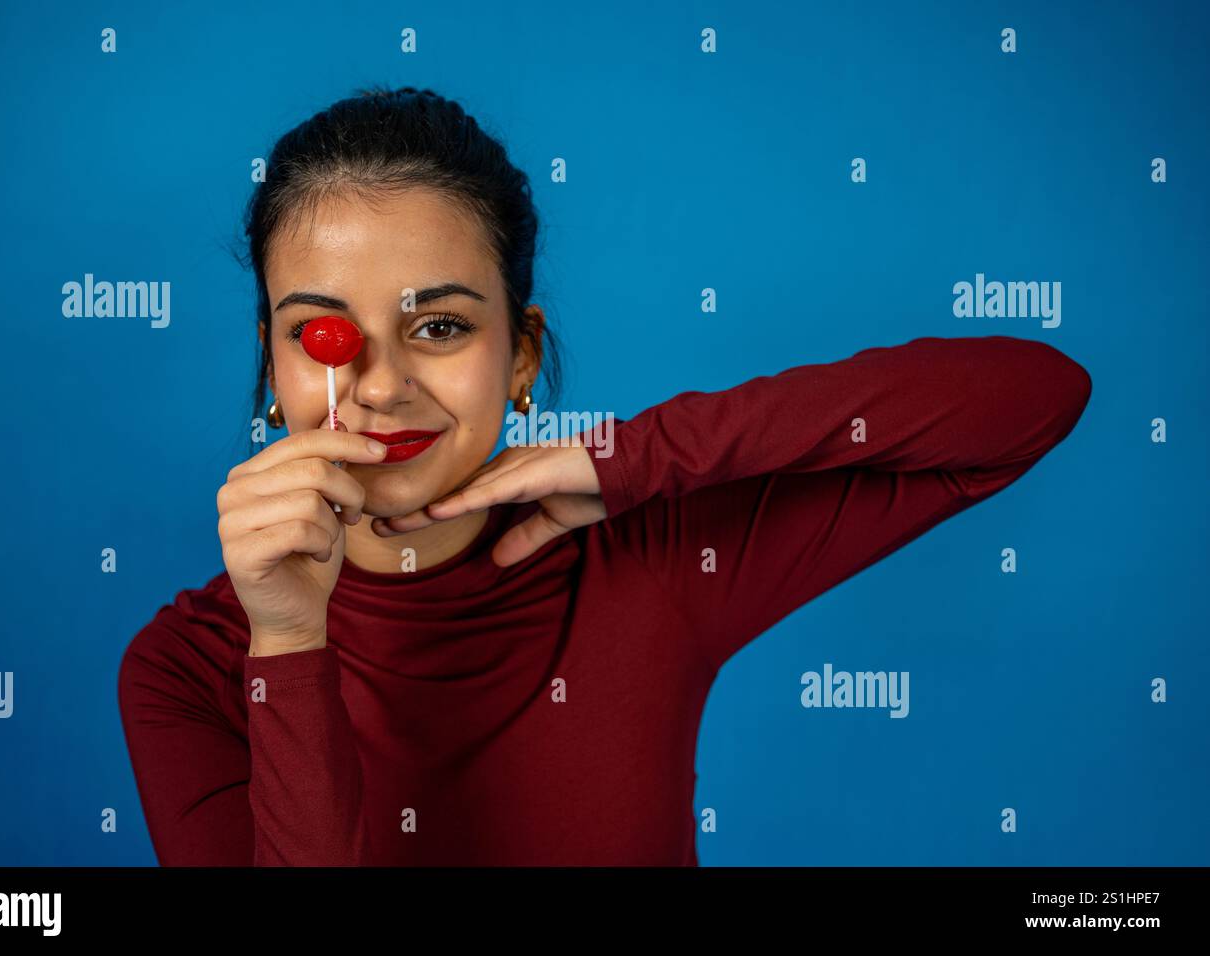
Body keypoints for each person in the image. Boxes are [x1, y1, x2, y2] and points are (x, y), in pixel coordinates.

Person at [117, 85, 1093, 866]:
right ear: (275, 363)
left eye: (441, 326)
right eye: (325, 336)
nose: (381, 385)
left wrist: (634, 457)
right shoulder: (185, 667)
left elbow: (1031, 399)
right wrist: (289, 642)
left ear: (523, 359)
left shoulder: (648, 559)